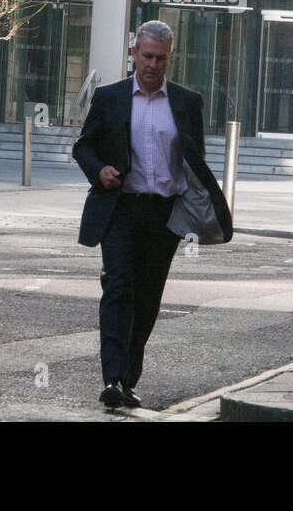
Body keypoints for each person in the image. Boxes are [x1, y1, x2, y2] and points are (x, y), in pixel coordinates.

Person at [73, 20, 233, 409]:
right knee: (118, 287)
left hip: (164, 215)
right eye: (146, 56)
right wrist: (100, 171)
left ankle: (128, 381)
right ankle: (112, 377)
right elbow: (84, 146)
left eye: (161, 58)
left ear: (169, 59)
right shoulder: (110, 97)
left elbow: (195, 158)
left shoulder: (186, 101)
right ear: (133, 54)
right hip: (120, 207)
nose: (152, 65)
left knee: (146, 299)